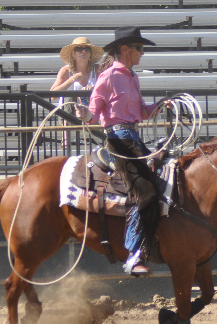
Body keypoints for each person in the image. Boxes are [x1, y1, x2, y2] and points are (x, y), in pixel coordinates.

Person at [76, 26, 170, 275]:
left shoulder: (132, 77)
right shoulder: (108, 77)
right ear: (125, 49)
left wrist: (161, 105)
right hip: (118, 139)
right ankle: (133, 255)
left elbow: (142, 112)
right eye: (139, 48)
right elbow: (93, 113)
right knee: (145, 193)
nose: (142, 53)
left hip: (133, 138)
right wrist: (84, 113)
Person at [50, 36, 104, 148]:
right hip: (71, 111)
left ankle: (106, 139)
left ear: (90, 54)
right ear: (73, 54)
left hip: (92, 110)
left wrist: (93, 89)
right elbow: (53, 95)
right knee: (69, 97)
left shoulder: (97, 69)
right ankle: (65, 138)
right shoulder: (66, 70)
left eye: (87, 49)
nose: (83, 52)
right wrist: (72, 79)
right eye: (79, 49)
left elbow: (108, 90)